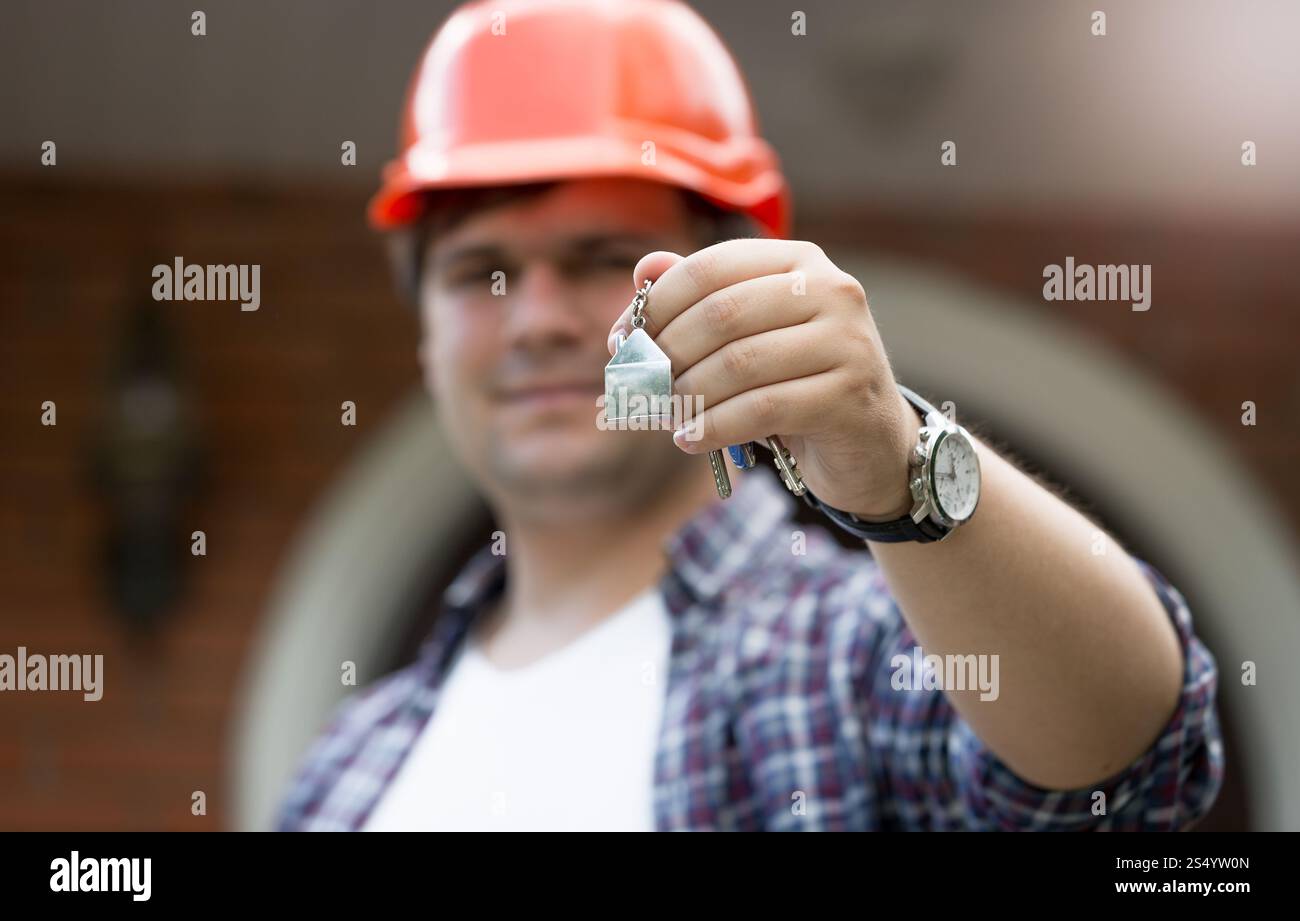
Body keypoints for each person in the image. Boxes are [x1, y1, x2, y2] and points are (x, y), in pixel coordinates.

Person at [276, 0, 1222, 831]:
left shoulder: (851, 657)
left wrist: (901, 467)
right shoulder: (344, 766)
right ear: (426, 339)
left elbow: (1129, 760)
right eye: (480, 271)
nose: (539, 321)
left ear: (732, 292)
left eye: (604, 257)